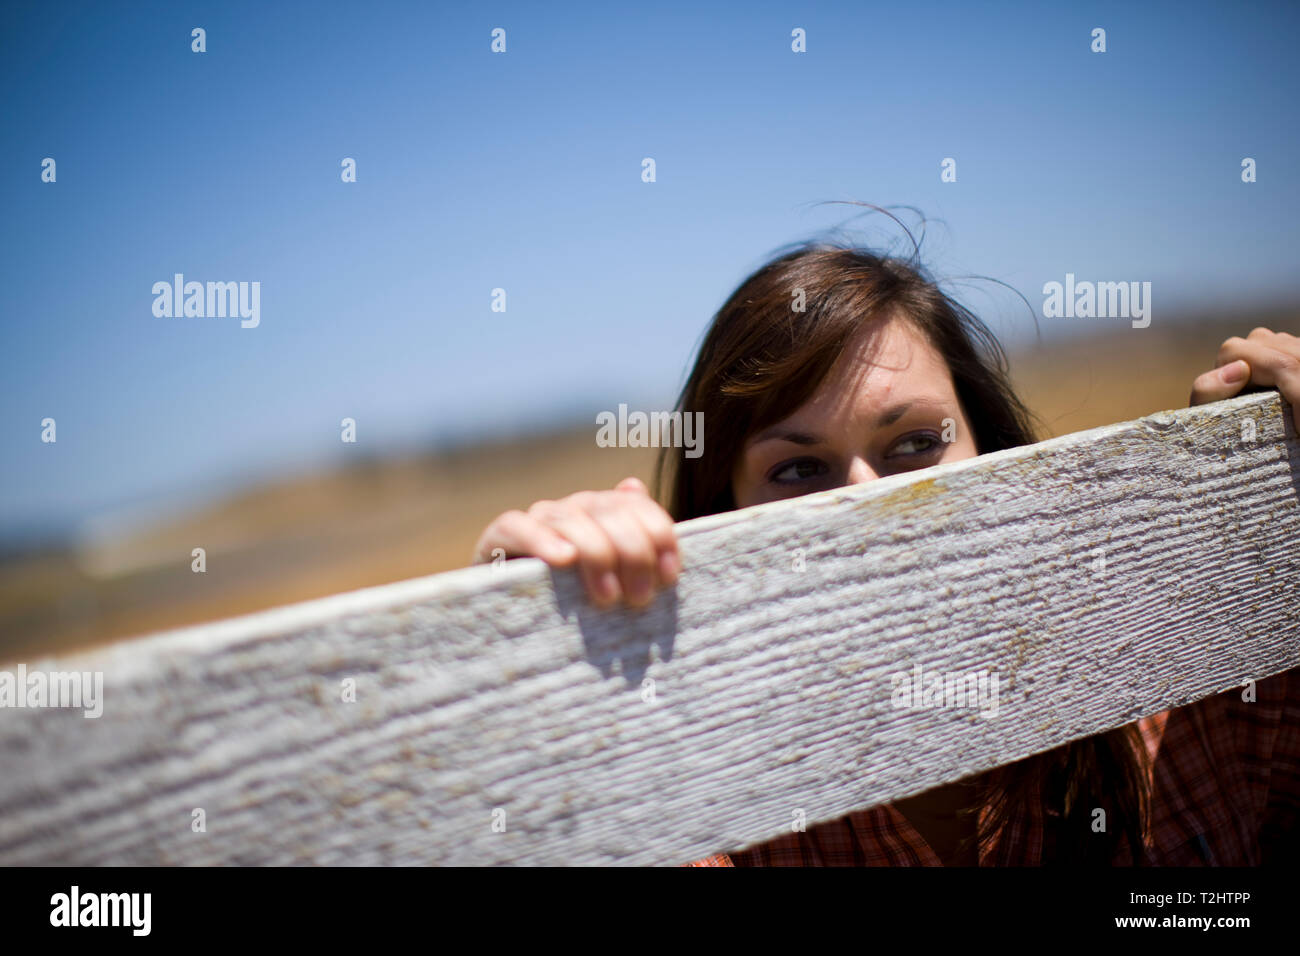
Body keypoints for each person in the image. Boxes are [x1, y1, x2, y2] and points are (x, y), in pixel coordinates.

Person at [473, 228, 1300, 866]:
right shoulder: (704, 810)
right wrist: (519, 675)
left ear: (995, 451)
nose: (869, 498)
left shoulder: (1186, 703)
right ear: (717, 514)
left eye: (912, 443)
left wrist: (1252, 501)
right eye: (798, 467)